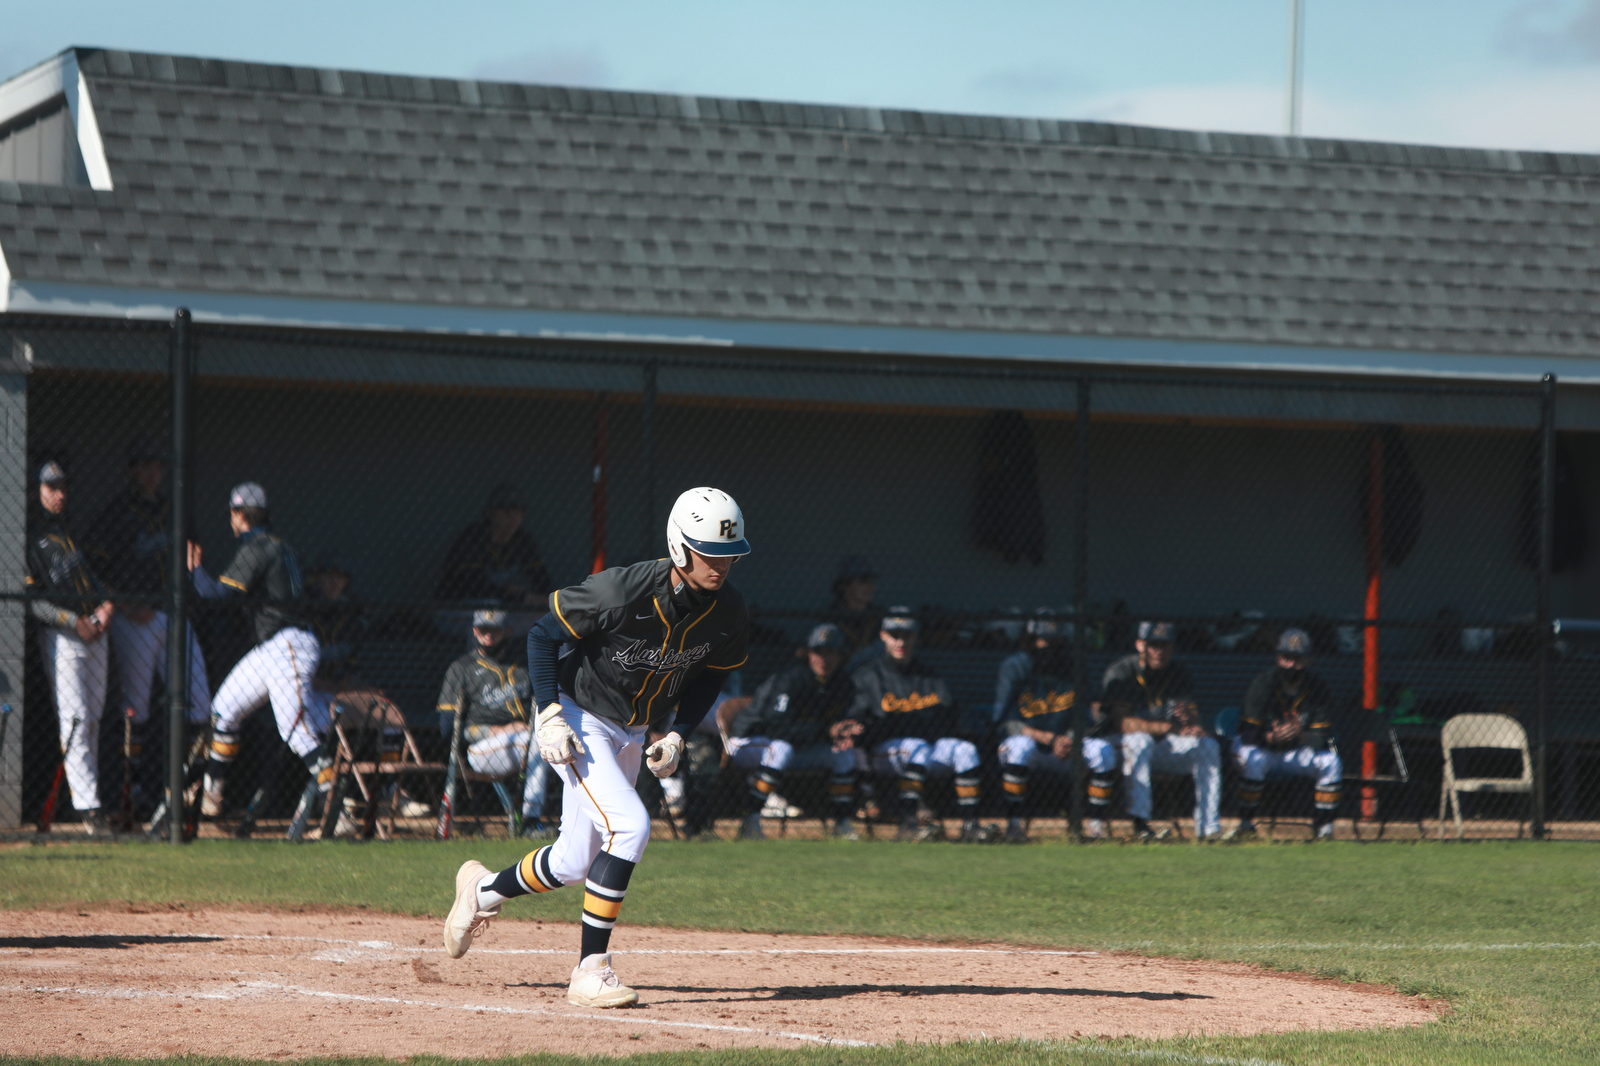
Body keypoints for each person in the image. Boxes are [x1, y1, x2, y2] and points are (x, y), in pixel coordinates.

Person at [442, 487, 750, 1008]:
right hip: (578, 712)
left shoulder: (728, 610)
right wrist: (551, 715)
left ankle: (480, 893)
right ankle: (591, 971)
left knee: (571, 861)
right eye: (709, 552)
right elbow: (542, 636)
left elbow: (710, 676)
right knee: (630, 825)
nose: (721, 564)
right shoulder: (623, 590)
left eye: (730, 555)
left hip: (631, 728)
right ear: (679, 547)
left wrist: (677, 732)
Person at [83, 438, 213, 816]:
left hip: (174, 614)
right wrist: (122, 603)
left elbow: (193, 557)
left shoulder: (176, 511)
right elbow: (88, 571)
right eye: (143, 465)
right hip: (134, 619)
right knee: (135, 709)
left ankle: (187, 789)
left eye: (156, 465)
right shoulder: (114, 515)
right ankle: (133, 792)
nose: (151, 472)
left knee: (201, 704)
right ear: (130, 470)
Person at [189, 482, 329, 819]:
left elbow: (216, 597)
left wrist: (193, 568)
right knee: (223, 710)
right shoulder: (279, 545)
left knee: (296, 730)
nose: (232, 521)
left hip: (289, 644)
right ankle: (212, 795)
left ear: (239, 515)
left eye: (233, 515)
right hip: (273, 646)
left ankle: (337, 803)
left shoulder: (257, 545)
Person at [846, 607, 993, 842]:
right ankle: (908, 824)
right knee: (916, 747)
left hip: (924, 748)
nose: (900, 641)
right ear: (883, 636)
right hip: (883, 753)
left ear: (916, 637)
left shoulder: (929, 676)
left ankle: (971, 825)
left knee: (967, 750)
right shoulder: (868, 676)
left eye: (907, 635)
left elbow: (948, 716)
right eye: (895, 635)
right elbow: (860, 722)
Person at [26, 460, 115, 834]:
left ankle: (85, 796)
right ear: (36, 492)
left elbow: (95, 580)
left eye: (62, 487)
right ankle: (89, 807)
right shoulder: (30, 537)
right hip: (63, 636)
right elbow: (32, 601)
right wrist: (70, 621)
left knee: (93, 719)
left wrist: (106, 605)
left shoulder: (69, 532)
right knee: (76, 719)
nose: (59, 494)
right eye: (51, 488)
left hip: (95, 630)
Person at [727, 622, 863, 841]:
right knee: (780, 749)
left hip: (795, 748)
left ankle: (842, 824)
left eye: (831, 652)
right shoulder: (791, 679)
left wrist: (847, 730)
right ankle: (750, 822)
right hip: (748, 741)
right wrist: (827, 731)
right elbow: (777, 728)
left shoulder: (842, 683)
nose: (824, 659)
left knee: (844, 755)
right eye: (818, 651)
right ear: (808, 653)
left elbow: (838, 725)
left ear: (841, 656)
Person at [994, 608, 1117, 843]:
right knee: (1020, 747)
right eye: (1044, 640)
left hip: (1066, 747)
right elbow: (1004, 722)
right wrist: (1049, 739)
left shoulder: (1072, 665)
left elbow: (1087, 714)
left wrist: (1071, 737)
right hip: (1031, 746)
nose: (1050, 646)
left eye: (1055, 641)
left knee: (1103, 751)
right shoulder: (1015, 667)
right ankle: (1014, 825)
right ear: (1030, 640)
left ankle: (1095, 827)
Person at [1099, 621, 1221, 840]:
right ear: (1139, 645)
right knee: (1140, 741)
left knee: (1208, 746)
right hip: (1116, 746)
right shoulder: (1122, 670)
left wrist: (1190, 721)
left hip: (1161, 746)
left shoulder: (1179, 673)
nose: (1159, 651)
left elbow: (1193, 718)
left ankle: (1209, 829)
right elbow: (1123, 724)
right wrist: (1170, 727)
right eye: (1153, 645)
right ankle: (1141, 824)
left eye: (1164, 645)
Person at [437, 608, 551, 837]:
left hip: (522, 742)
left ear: (507, 631)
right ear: (474, 630)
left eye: (495, 630)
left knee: (546, 740)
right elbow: (448, 728)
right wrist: (495, 730)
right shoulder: (461, 669)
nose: (488, 634)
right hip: (481, 750)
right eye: (483, 629)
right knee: (537, 743)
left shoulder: (522, 667)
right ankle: (530, 820)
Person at [1229, 628, 1343, 841]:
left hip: (1296, 749)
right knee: (1251, 758)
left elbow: (1322, 737)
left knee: (1331, 762)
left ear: (1309, 660)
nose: (1291, 664)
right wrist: (1271, 737)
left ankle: (1324, 827)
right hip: (1264, 747)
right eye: (1286, 657)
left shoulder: (1318, 687)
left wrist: (1300, 735)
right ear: (1278, 657)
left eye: (1297, 659)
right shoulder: (1263, 683)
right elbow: (1247, 733)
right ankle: (1246, 823)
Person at [434, 483, 554, 606]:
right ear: (490, 513)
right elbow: (474, 587)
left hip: (502, 606)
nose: (513, 517)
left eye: (518, 512)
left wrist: (541, 598)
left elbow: (542, 578)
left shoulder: (523, 540)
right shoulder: (473, 537)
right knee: (490, 605)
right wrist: (517, 595)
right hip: (456, 609)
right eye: (506, 511)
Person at [827, 555, 882, 663]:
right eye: (863, 581)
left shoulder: (880, 616)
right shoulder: (830, 617)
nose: (871, 588)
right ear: (844, 585)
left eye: (871, 582)